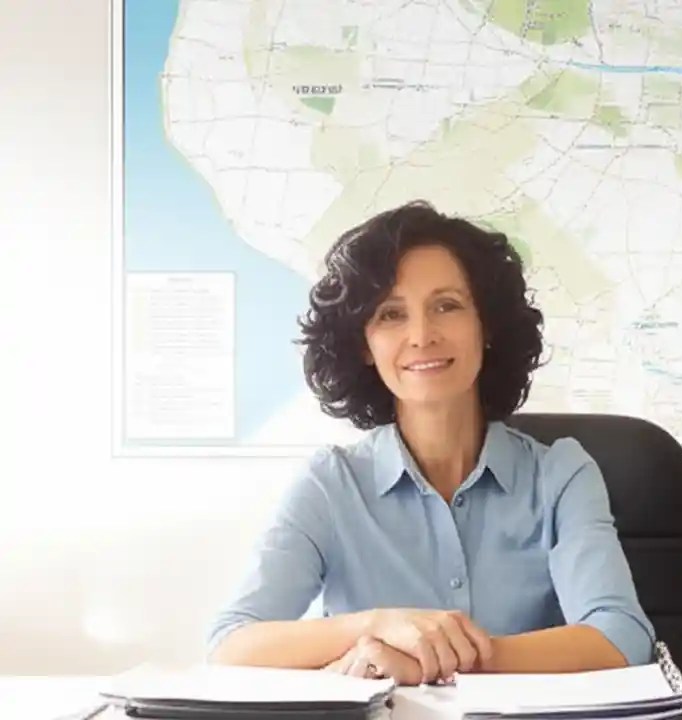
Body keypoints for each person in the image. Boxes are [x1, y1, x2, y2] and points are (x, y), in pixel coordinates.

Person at [206, 200, 654, 685]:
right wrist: (379, 626)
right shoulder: (331, 484)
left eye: (447, 306)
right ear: (364, 344)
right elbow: (231, 645)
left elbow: (620, 637)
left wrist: (437, 660)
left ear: (487, 327)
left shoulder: (562, 474)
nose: (422, 335)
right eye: (391, 314)